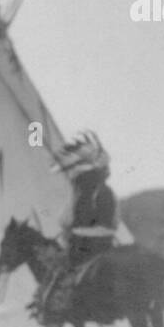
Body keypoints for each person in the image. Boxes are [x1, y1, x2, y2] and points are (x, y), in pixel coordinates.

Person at [39, 132, 118, 317]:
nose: (73, 176)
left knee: (58, 270)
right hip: (98, 243)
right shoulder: (97, 192)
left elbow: (70, 220)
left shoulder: (91, 193)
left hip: (86, 247)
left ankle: (53, 310)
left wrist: (74, 232)